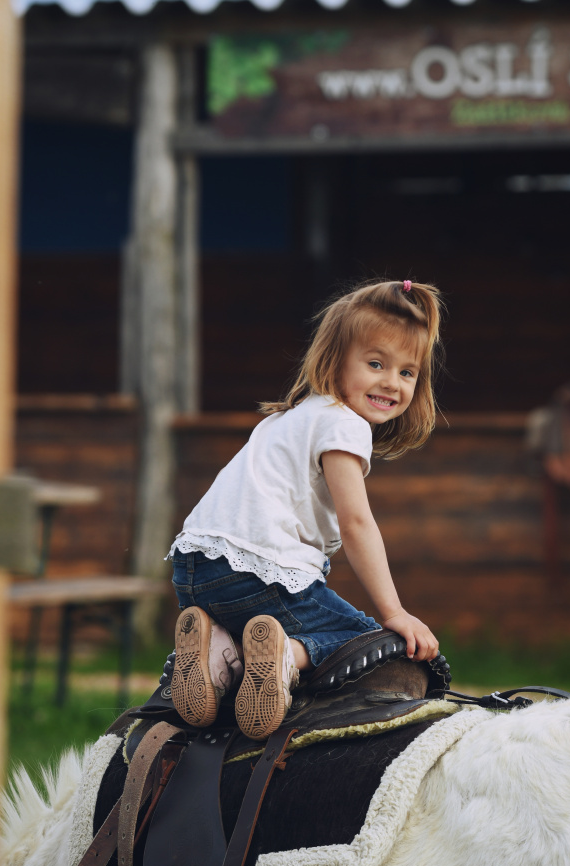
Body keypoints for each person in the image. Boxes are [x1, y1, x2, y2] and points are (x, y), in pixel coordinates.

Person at [167, 278, 442, 741]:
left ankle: (218, 651)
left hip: (194, 569)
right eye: (376, 364)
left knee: (258, 620)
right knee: (368, 641)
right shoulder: (343, 424)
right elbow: (356, 523)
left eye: (407, 372)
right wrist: (394, 612)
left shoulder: (288, 417)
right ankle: (284, 658)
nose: (391, 383)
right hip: (259, 573)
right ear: (336, 361)